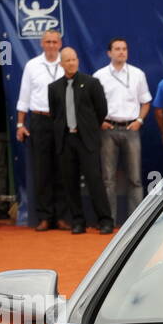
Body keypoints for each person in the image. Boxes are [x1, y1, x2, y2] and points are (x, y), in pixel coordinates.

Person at [48, 46, 114, 234]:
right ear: (61, 64)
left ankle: (105, 220)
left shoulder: (92, 83)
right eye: (68, 60)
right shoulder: (53, 88)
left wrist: (89, 128)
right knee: (70, 182)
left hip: (86, 140)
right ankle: (78, 221)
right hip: (65, 140)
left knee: (95, 181)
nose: (72, 63)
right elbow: (54, 114)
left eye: (74, 59)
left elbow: (101, 110)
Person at [94, 37, 151, 223]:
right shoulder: (99, 76)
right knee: (108, 179)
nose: (121, 52)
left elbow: (146, 101)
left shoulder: (137, 74)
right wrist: (99, 121)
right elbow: (90, 104)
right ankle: (108, 220)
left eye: (124, 49)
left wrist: (140, 120)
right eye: (117, 49)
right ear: (109, 53)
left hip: (131, 128)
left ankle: (136, 221)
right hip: (108, 130)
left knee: (135, 178)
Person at [16, 30, 68, 231]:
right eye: (48, 42)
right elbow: (24, 96)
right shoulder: (32, 66)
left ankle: (63, 217)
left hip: (62, 121)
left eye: (55, 42)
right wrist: (20, 124)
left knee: (63, 169)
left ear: (60, 43)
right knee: (42, 170)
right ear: (41, 44)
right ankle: (45, 217)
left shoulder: (67, 63)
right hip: (39, 120)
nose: (51, 45)